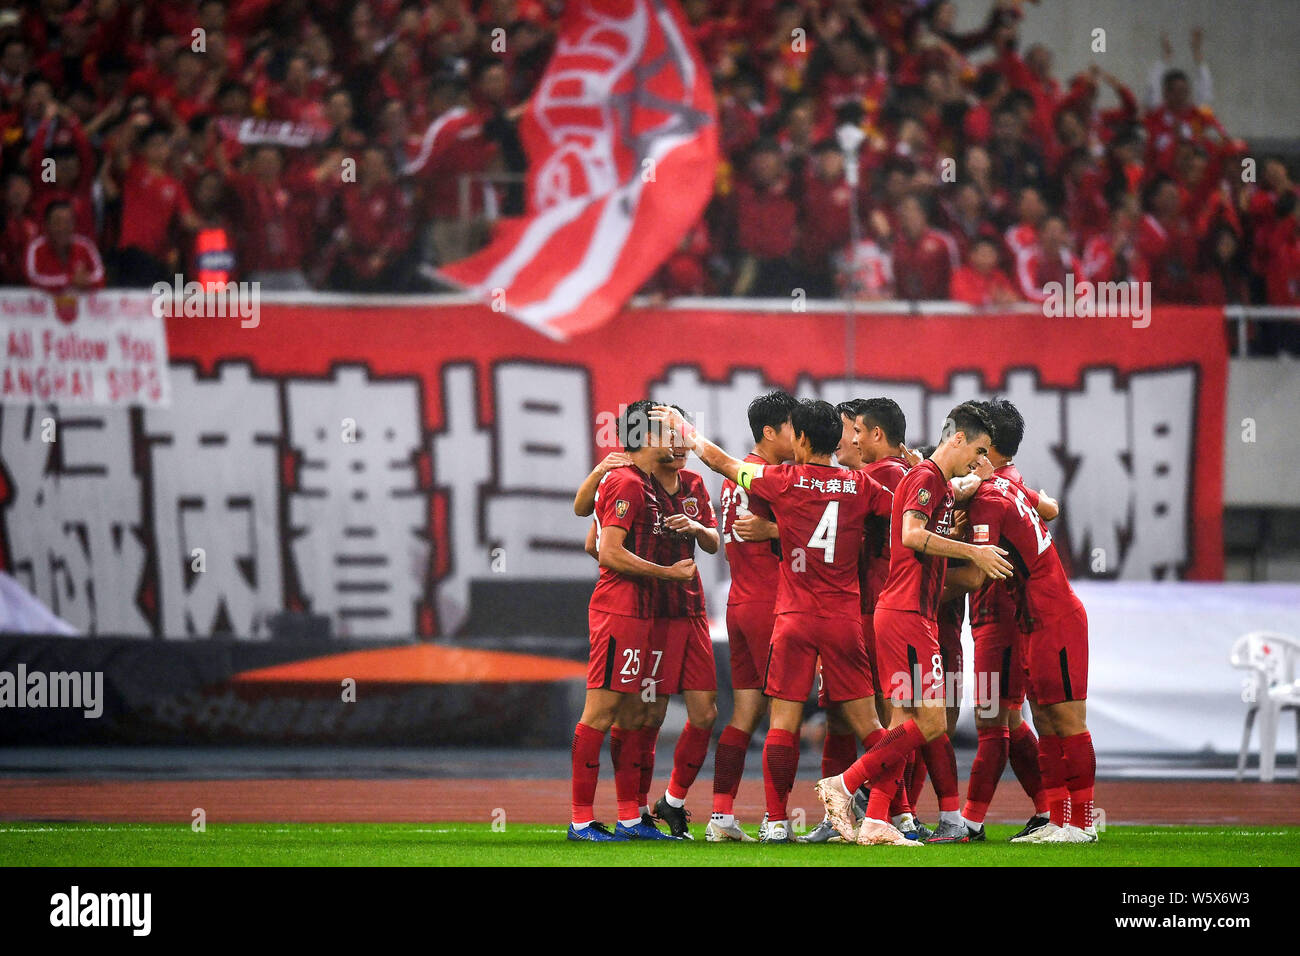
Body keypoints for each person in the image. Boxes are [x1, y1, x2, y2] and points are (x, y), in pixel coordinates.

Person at [652, 399, 893, 844]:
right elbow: (903, 515)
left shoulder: (779, 479)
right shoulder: (860, 484)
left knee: (774, 721)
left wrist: (684, 429)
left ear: (800, 439)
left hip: (783, 614)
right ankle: (882, 815)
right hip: (839, 617)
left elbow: (720, 461)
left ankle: (773, 822)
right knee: (872, 725)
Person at [815, 402, 1013, 846]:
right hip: (907, 616)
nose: (980, 461)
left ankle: (876, 820)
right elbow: (911, 534)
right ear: (957, 439)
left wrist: (974, 480)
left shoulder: (936, 480)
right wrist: (974, 552)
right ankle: (844, 785)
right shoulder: (924, 479)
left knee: (902, 722)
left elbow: (954, 487)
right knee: (932, 723)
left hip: (903, 613)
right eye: (978, 450)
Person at [963, 402, 1098, 843]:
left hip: (1052, 614)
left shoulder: (988, 496)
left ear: (985, 448)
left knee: (1068, 720)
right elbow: (1051, 507)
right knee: (1042, 718)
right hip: (1033, 617)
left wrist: (924, 555)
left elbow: (983, 568)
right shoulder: (1009, 484)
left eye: (967, 439)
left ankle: (1081, 823)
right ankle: (1058, 819)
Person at [566, 400, 696, 842]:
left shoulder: (643, 483)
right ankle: (581, 820)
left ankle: (630, 817)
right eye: (666, 431)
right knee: (601, 712)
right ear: (644, 438)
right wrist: (667, 573)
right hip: (620, 610)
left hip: (643, 612)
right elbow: (606, 551)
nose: (677, 439)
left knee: (637, 712)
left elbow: (590, 533)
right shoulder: (626, 481)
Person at [706, 389, 798, 842]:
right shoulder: (768, 476)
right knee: (785, 715)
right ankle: (777, 819)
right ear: (769, 432)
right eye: (791, 428)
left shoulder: (735, 476)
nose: (798, 437)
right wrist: (779, 529)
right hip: (771, 605)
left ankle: (721, 817)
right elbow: (818, 529)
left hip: (739, 604)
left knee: (744, 714)